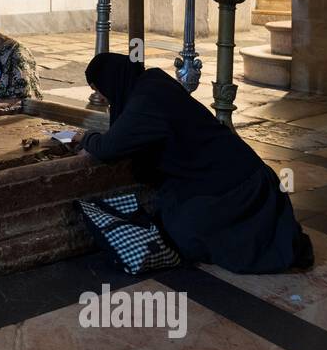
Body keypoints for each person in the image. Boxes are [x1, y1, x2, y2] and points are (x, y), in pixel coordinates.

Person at [73, 52, 313, 275]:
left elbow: (109, 148)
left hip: (237, 186)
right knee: (174, 220)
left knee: (186, 234)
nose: (102, 97)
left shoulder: (146, 102)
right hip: (227, 173)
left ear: (109, 81)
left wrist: (86, 137)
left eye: (99, 89)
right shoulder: (151, 82)